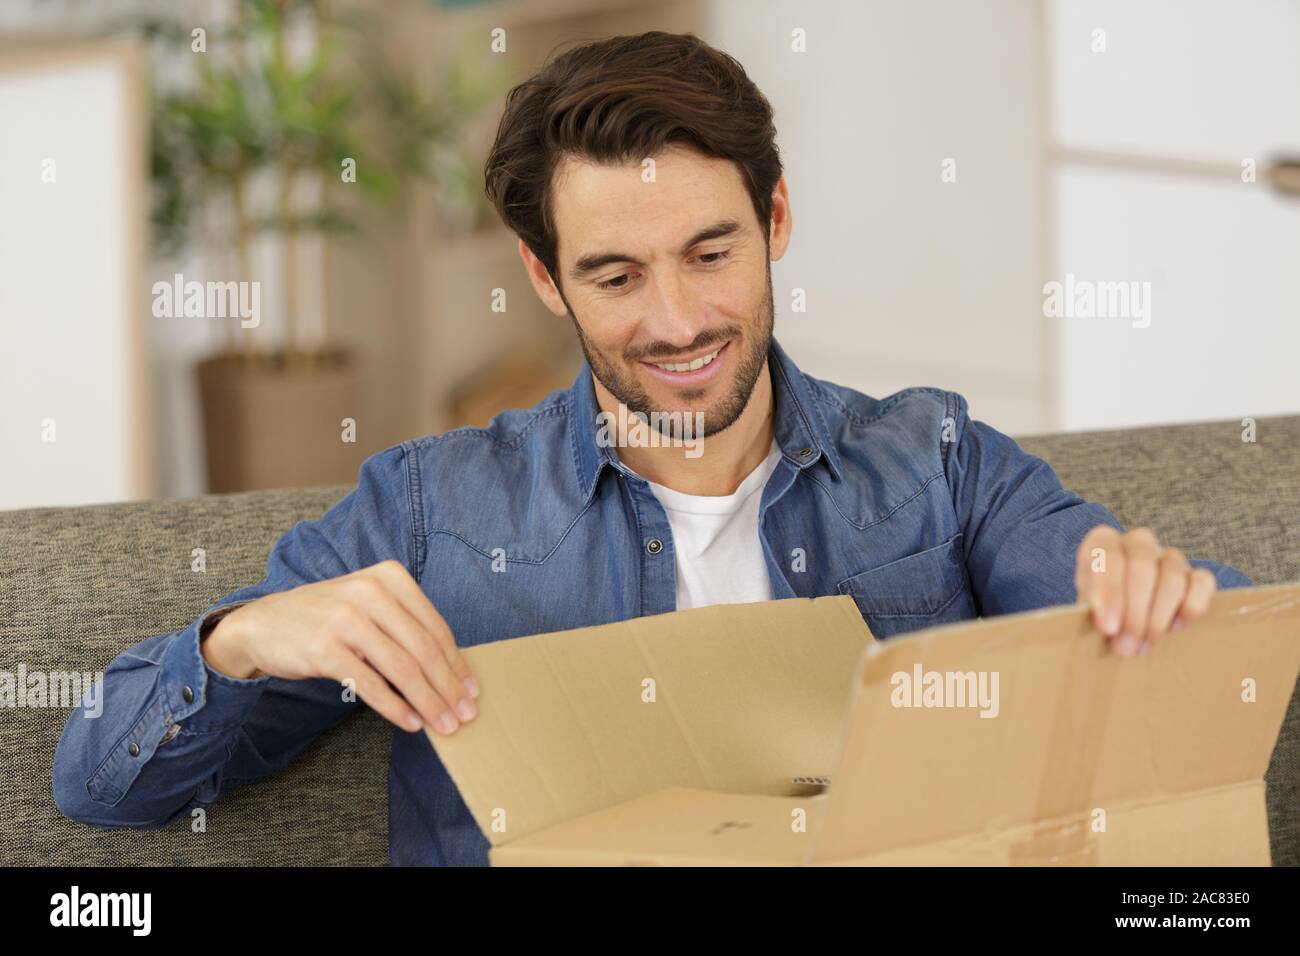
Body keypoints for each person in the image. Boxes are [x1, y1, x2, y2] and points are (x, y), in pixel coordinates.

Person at [53, 31, 1250, 866]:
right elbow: (101, 783)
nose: (675, 320)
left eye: (712, 252)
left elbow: (1194, 649)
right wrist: (244, 639)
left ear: (776, 220)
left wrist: (1161, 602)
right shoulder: (429, 512)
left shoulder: (935, 461)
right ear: (543, 275)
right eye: (614, 275)